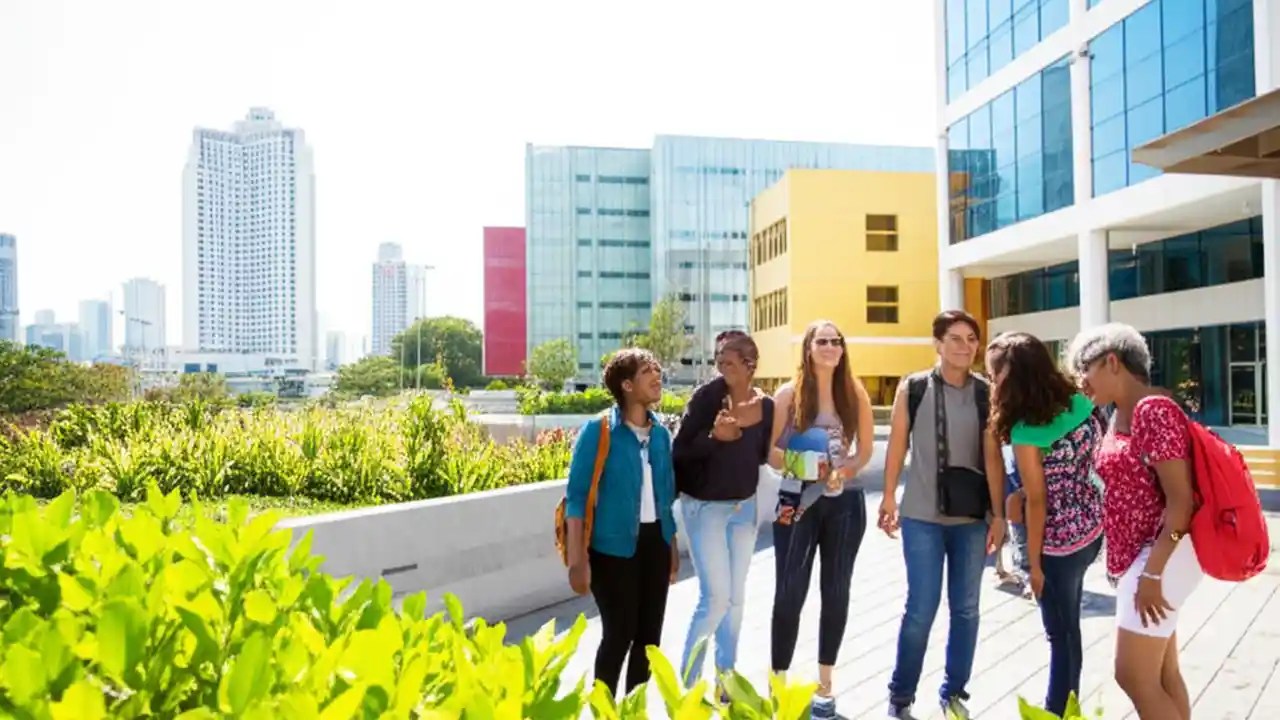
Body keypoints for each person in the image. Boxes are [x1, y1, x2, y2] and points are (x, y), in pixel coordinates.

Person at [1066, 323, 1201, 720]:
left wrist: (1153, 573)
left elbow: (1180, 501)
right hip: (1145, 556)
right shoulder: (1118, 414)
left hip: (1160, 554)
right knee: (1161, 673)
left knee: (1133, 676)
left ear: (1112, 361)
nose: (1081, 381)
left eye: (1084, 369)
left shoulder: (1152, 411)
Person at [880, 310, 1005, 720]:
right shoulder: (914, 387)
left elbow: (993, 457)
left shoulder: (987, 392)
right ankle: (901, 696)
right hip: (921, 516)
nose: (965, 346)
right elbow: (897, 445)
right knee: (921, 607)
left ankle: (953, 694)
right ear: (937, 343)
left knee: (966, 609)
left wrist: (999, 515)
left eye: (972, 339)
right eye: (955, 338)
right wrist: (888, 496)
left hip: (972, 520)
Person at [987, 332, 1105, 716]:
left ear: (1014, 375)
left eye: (994, 374)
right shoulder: (1081, 402)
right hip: (1091, 528)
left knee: (1060, 636)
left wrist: (1034, 566)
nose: (992, 382)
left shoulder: (1026, 430)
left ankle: (1057, 711)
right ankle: (1068, 706)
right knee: (1070, 630)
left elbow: (1039, 500)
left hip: (1057, 544)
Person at [766, 320, 874, 719]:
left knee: (836, 591)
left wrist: (842, 471)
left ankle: (825, 689)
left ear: (842, 349)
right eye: (822, 341)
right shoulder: (787, 394)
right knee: (788, 593)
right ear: (809, 348)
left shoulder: (855, 393)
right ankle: (778, 687)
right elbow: (770, 453)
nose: (830, 347)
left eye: (836, 341)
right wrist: (807, 465)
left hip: (845, 503)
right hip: (795, 501)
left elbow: (864, 451)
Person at [563, 348, 680, 697]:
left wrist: (671, 547)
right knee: (619, 633)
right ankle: (604, 709)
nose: (657, 376)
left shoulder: (661, 435)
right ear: (627, 385)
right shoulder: (599, 431)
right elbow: (577, 498)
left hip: (655, 543)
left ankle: (634, 709)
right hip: (611, 548)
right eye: (647, 371)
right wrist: (577, 561)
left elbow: (665, 498)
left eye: (657, 369)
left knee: (649, 640)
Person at [672, 330, 774, 689]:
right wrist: (715, 437)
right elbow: (680, 452)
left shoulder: (767, 407)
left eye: (729, 361)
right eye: (719, 360)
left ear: (750, 365)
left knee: (735, 601)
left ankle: (726, 682)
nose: (721, 367)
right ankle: (688, 688)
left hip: (744, 509)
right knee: (715, 599)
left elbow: (762, 455)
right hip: (705, 509)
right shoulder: (706, 398)